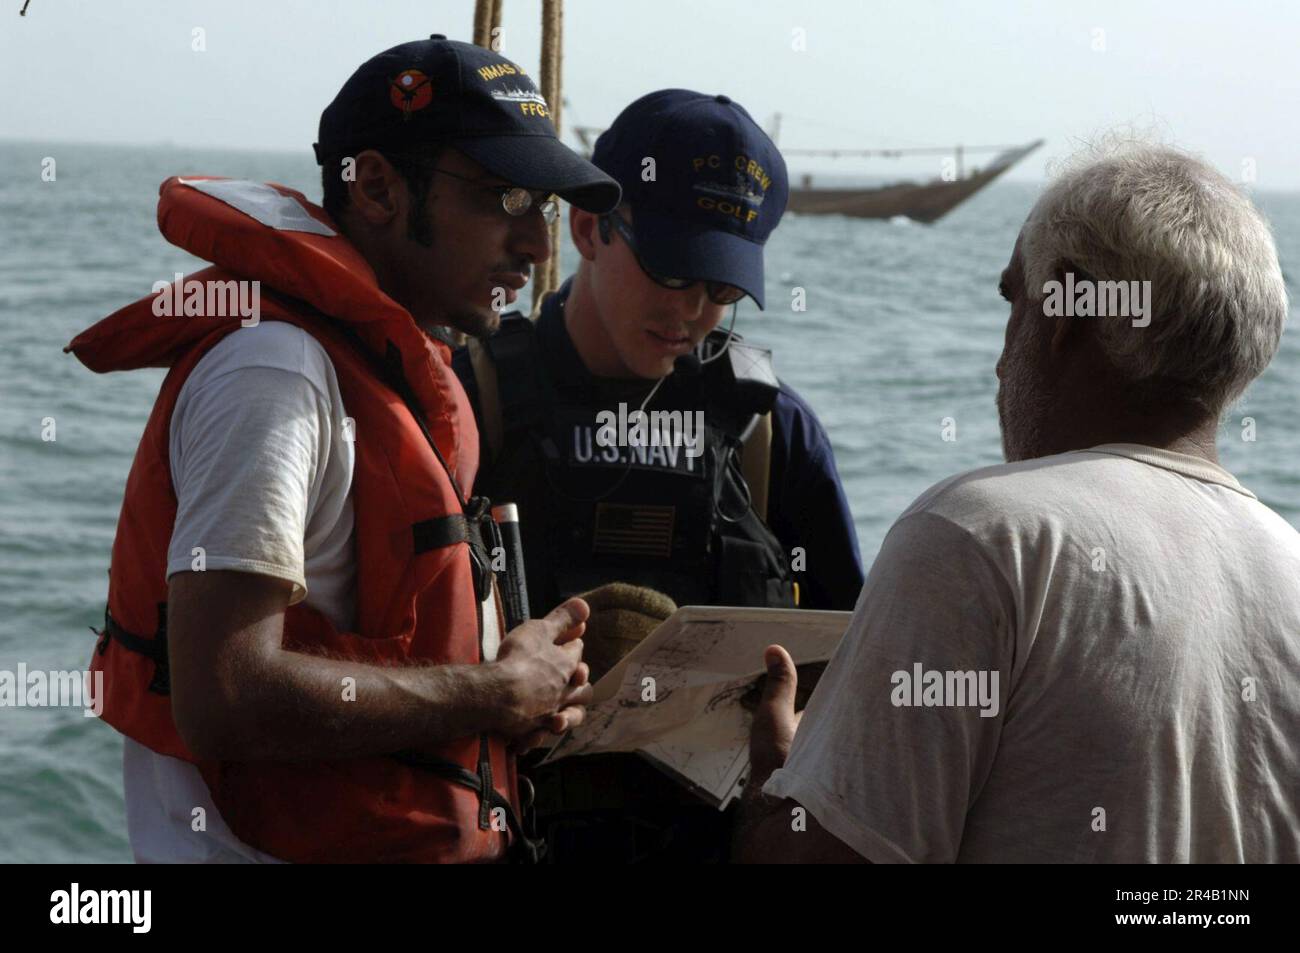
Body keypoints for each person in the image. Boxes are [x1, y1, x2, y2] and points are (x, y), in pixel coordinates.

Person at [65, 36, 622, 863]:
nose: (538, 248)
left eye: (540, 208)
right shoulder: (275, 372)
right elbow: (224, 692)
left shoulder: (389, 364)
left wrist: (517, 691)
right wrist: (492, 692)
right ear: (376, 187)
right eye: (502, 197)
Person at [737, 140, 1300, 863]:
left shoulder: (979, 535)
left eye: (1013, 301)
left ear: (1063, 311)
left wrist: (777, 782)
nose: (1002, 359)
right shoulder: (1289, 571)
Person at [453, 89, 864, 862]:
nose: (692, 312)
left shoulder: (772, 433)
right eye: (673, 272)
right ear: (587, 227)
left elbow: (854, 664)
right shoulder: (471, 403)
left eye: (721, 290)